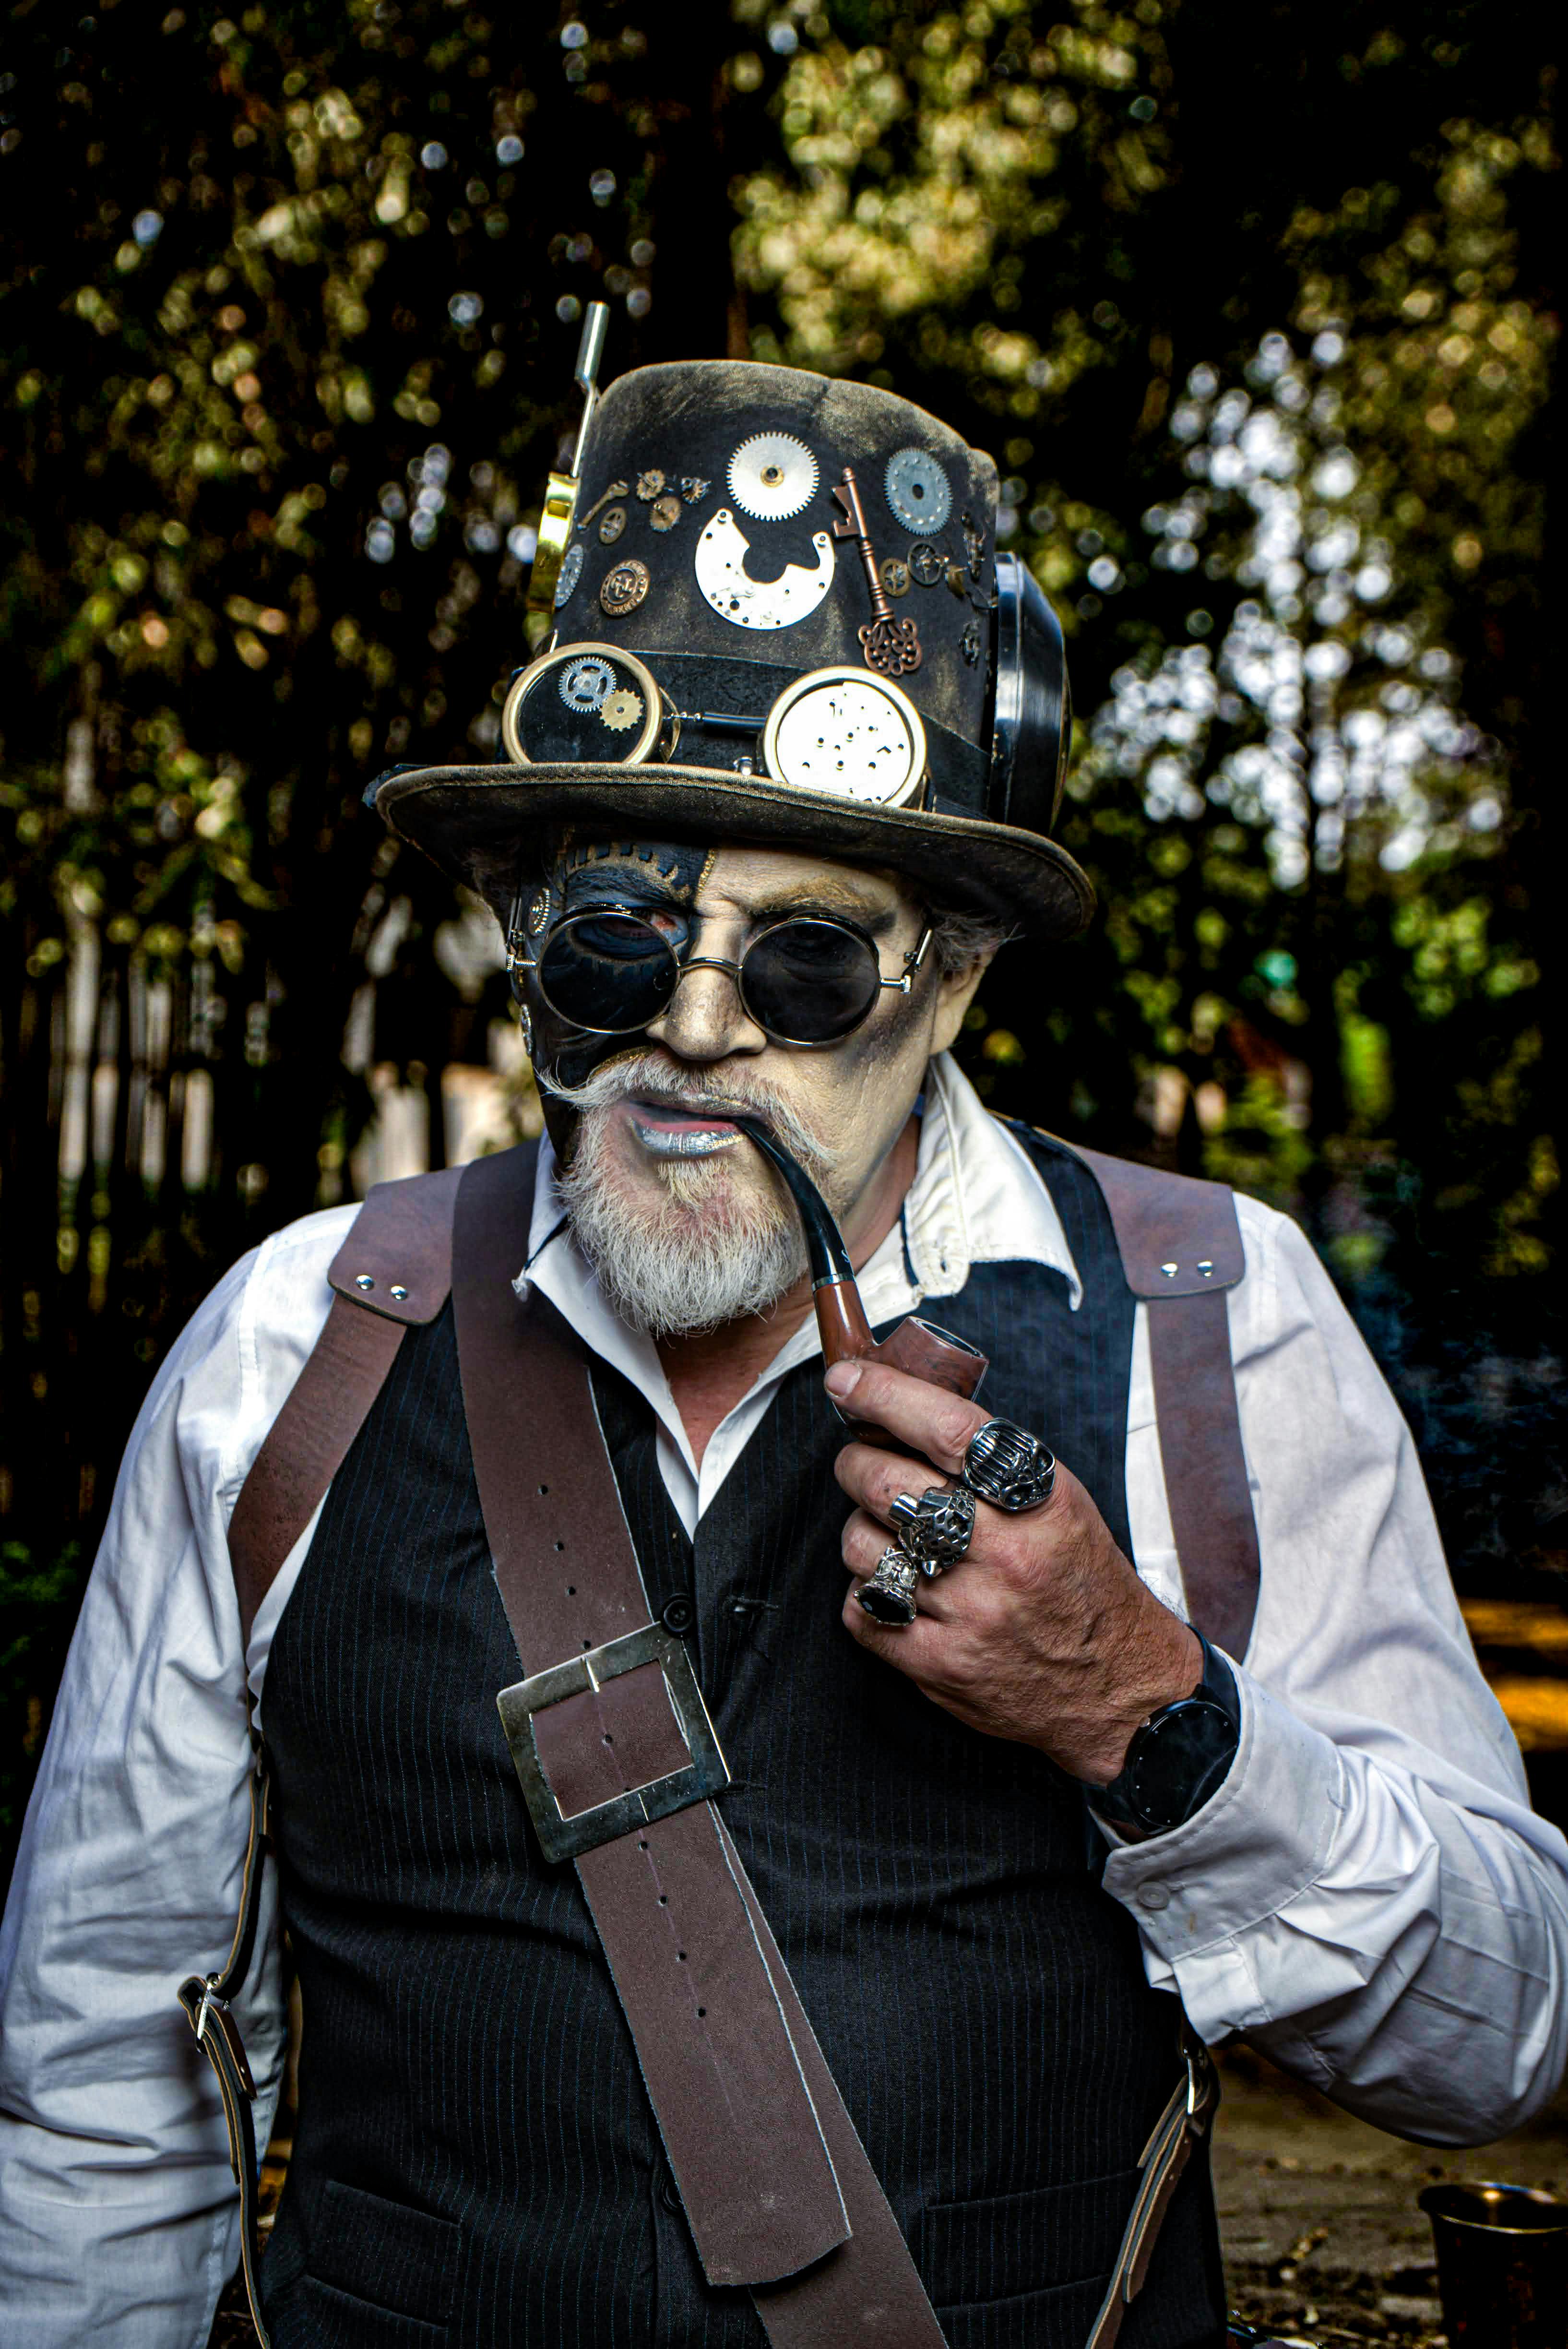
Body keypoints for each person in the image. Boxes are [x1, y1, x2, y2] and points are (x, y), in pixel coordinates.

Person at [2, 358, 1565, 2349]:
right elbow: (102, 2094)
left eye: (809, 956)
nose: (702, 1029)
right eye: (620, 941)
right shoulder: (290, 1351)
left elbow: (1502, 2039)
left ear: (953, 977)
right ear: (532, 940)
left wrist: (1149, 1715)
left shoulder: (1213, 1324)